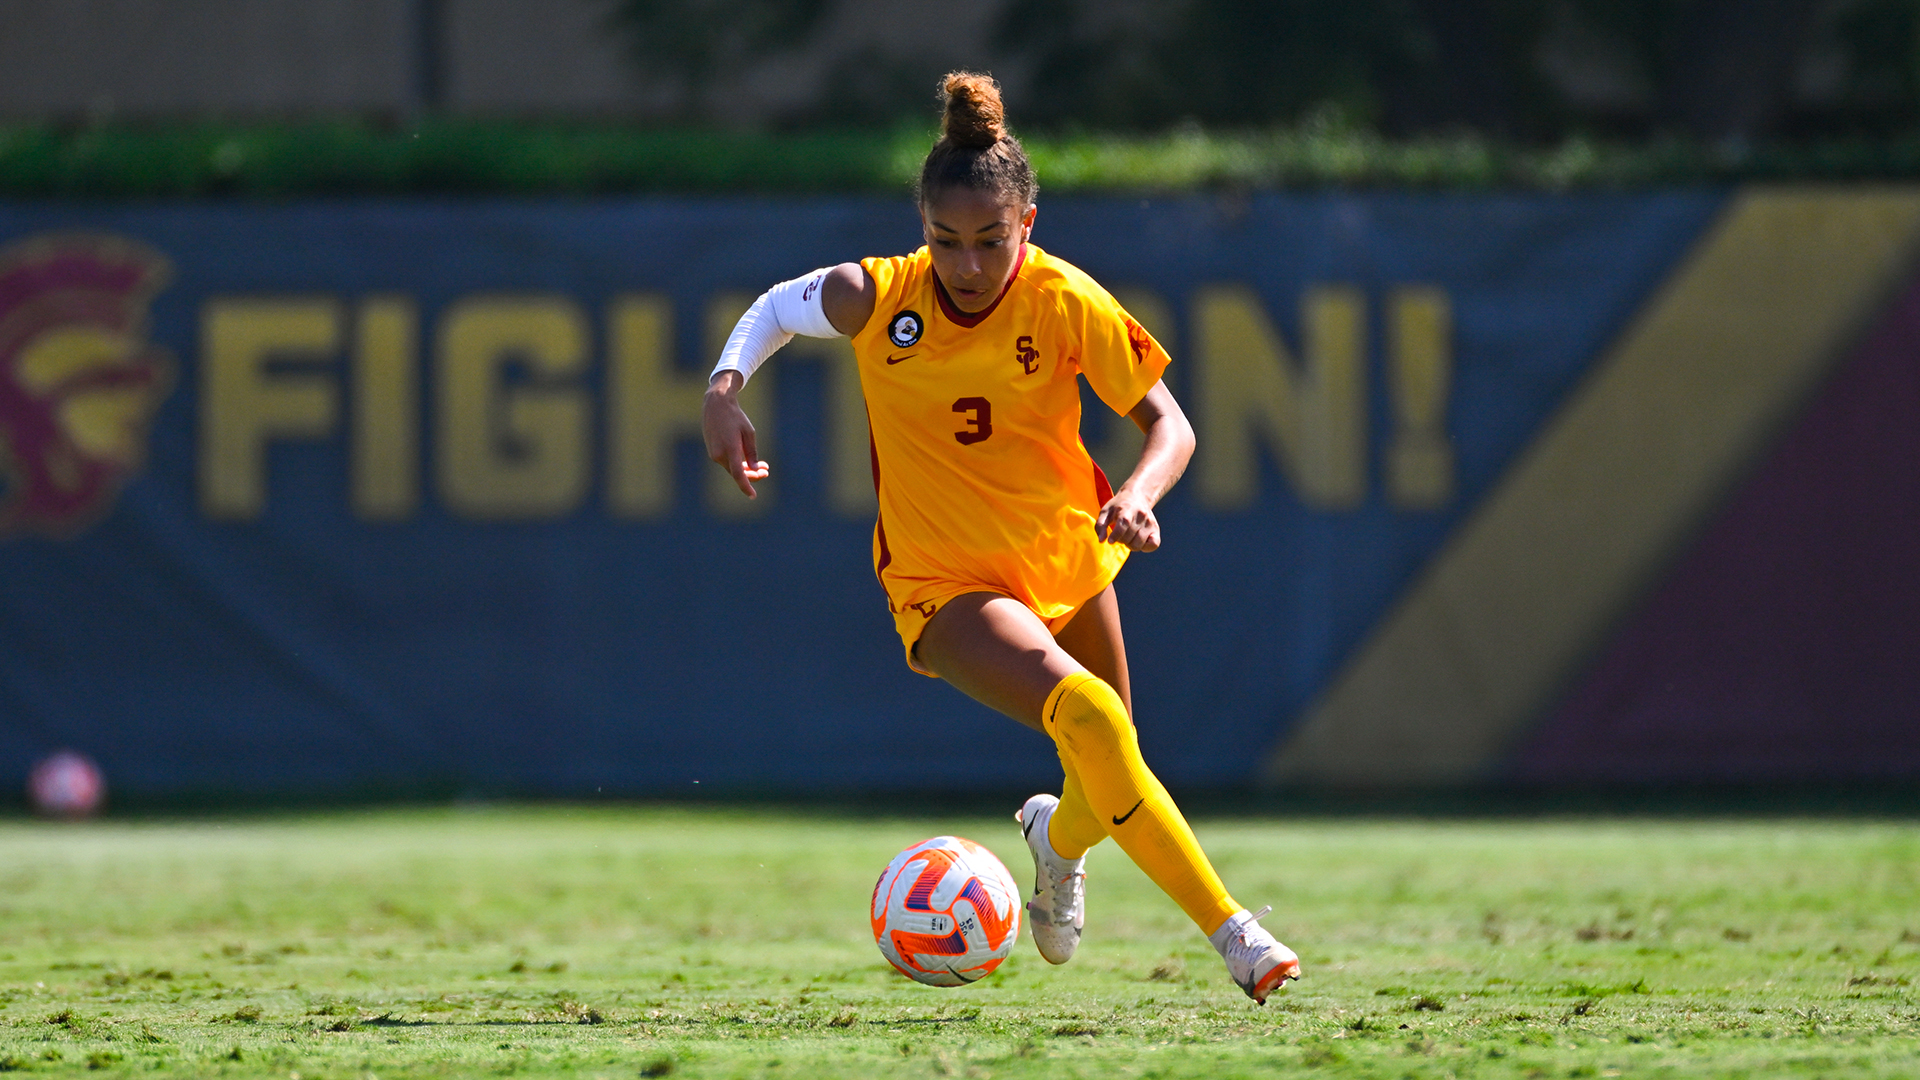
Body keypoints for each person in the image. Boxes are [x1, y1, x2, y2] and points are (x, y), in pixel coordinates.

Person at [701, 72, 1300, 1003]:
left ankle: (1054, 847)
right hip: (945, 587)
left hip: (1065, 557)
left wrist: (1138, 495)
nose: (968, 266)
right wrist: (724, 388)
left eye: (990, 241)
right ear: (923, 230)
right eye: (946, 241)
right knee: (1094, 717)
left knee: (1108, 770)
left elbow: (1171, 427)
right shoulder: (881, 297)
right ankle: (1237, 935)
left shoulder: (1063, 298)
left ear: (1028, 223)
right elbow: (778, 307)